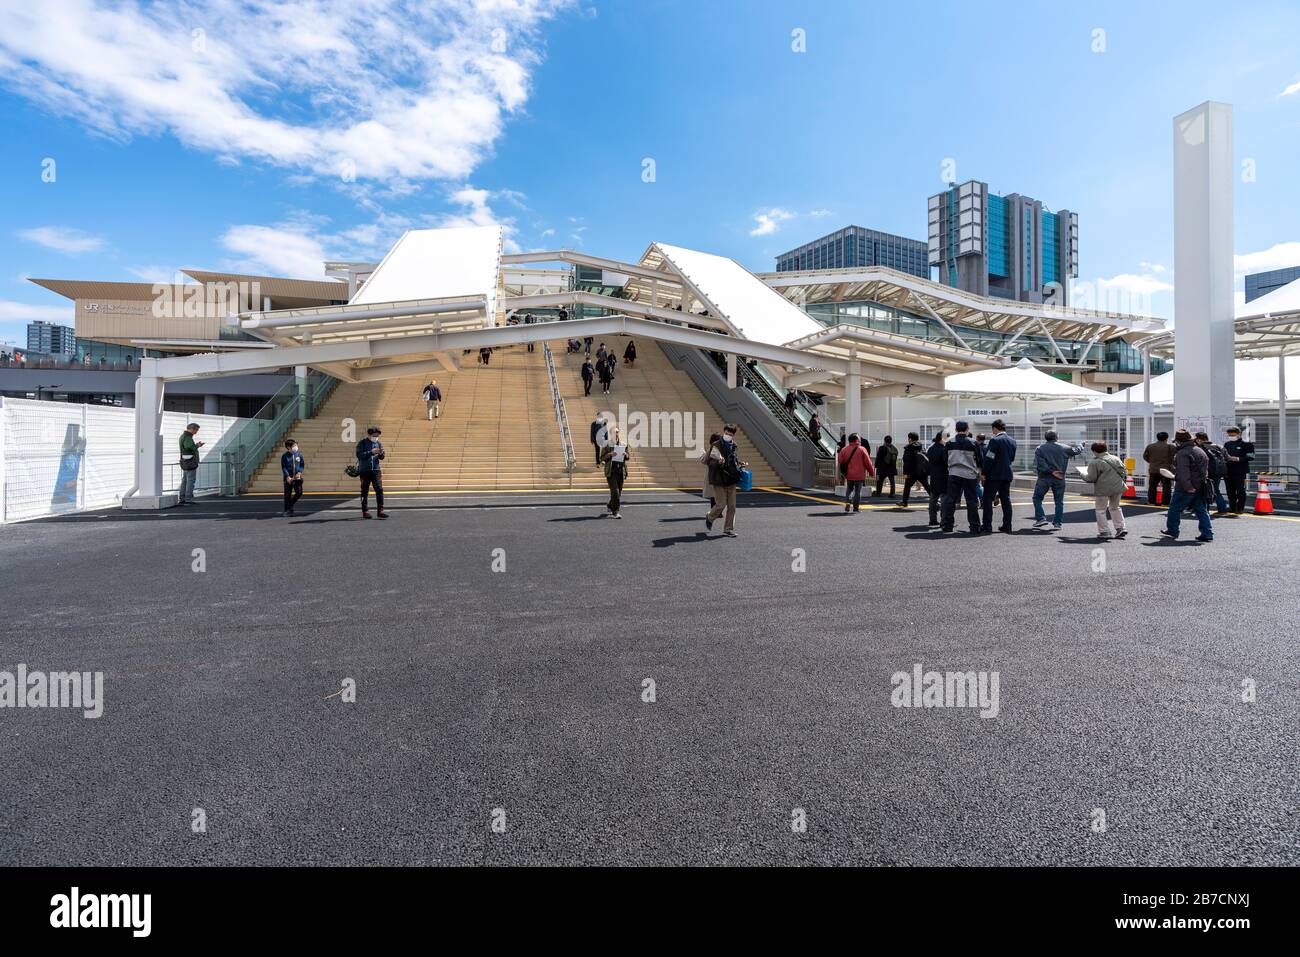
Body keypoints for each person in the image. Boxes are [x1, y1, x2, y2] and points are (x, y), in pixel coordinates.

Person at [1162, 428, 1212, 542]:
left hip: (1186, 488)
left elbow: (1183, 473)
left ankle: (1173, 530)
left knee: (1174, 509)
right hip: (1201, 486)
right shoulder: (1199, 450)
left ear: (1178, 441)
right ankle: (1207, 533)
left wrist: (1188, 487)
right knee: (1201, 510)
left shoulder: (1183, 453)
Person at [1031, 430, 1085, 530]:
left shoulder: (1040, 449)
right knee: (1059, 501)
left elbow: (1040, 464)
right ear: (1057, 437)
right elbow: (1077, 451)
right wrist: (1081, 445)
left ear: (1045, 438)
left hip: (1044, 478)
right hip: (1059, 478)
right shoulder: (1064, 447)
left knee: (1037, 498)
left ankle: (1041, 518)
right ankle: (1057, 523)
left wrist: (1051, 471)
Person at [705, 424, 748, 537]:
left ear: (733, 435)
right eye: (727, 433)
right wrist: (718, 462)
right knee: (721, 504)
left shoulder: (734, 445)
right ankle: (710, 517)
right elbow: (710, 462)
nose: (728, 435)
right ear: (724, 432)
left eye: (730, 434)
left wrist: (740, 464)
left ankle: (728, 529)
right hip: (719, 479)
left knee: (732, 506)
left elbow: (733, 460)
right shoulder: (716, 445)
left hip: (731, 479)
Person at [940, 421, 982, 534]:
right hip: (970, 475)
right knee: (971, 501)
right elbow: (980, 460)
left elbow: (944, 459)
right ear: (967, 429)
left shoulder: (949, 443)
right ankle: (974, 527)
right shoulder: (973, 442)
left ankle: (948, 526)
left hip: (954, 473)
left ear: (956, 429)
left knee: (951, 500)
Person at [1083, 441, 1127, 539]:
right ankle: (1121, 528)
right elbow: (1124, 472)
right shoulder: (1116, 458)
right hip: (1117, 487)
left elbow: (1091, 478)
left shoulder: (1095, 462)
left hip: (1103, 489)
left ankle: (1105, 532)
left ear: (1094, 451)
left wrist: (1082, 475)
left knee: (1100, 510)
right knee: (1115, 508)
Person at [979, 419, 1017, 533]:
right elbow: (1012, 458)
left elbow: (989, 458)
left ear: (995, 428)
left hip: (994, 475)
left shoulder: (995, 440)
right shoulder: (1012, 441)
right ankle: (1007, 525)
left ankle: (987, 526)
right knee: (1006, 500)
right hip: (1007, 474)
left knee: (987, 500)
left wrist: (984, 473)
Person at [837, 432, 875, 513]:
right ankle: (855, 508)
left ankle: (848, 502)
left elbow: (840, 460)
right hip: (860, 475)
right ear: (857, 440)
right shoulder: (862, 449)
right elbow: (868, 463)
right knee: (857, 491)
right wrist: (871, 473)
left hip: (849, 474)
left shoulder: (844, 449)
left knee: (849, 489)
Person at [355, 426, 388, 519]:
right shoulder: (362, 443)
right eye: (374, 435)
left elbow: (382, 457)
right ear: (369, 435)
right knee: (364, 490)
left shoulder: (378, 443)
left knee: (379, 489)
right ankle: (365, 511)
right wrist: (371, 452)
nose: (376, 437)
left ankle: (380, 510)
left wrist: (381, 454)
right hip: (364, 470)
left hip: (376, 470)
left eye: (377, 435)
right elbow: (359, 455)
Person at [1194, 431, 1230, 516]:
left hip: (1206, 472)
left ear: (1198, 439)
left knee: (1205, 491)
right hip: (1218, 472)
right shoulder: (1218, 446)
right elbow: (1227, 458)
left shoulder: (1199, 448)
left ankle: (1205, 510)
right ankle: (1222, 509)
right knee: (1216, 490)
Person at [1222, 425, 1255, 514]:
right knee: (1230, 490)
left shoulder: (1247, 443)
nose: (1231, 437)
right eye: (1229, 435)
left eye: (1233, 435)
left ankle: (1240, 508)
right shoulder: (1227, 444)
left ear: (1239, 434)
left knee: (1240, 490)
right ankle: (1232, 507)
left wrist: (1237, 459)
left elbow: (1251, 457)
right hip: (1228, 470)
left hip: (1240, 471)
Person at [600, 427, 631, 518]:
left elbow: (628, 457)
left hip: (621, 471)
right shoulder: (607, 444)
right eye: (614, 432)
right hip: (611, 471)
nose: (616, 433)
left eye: (617, 432)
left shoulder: (623, 444)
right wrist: (610, 454)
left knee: (619, 492)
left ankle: (610, 505)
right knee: (615, 492)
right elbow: (601, 458)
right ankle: (615, 512)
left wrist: (626, 455)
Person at [1143, 431, 1175, 506]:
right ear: (1166, 438)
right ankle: (1165, 502)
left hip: (1153, 469)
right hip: (1166, 470)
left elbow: (1145, 456)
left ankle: (1151, 501)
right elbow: (1174, 457)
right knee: (1166, 487)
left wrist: (1152, 462)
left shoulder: (1150, 446)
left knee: (1152, 486)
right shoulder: (1171, 447)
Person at [899, 432, 931, 508]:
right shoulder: (921, 447)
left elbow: (907, 461)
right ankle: (936, 500)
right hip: (922, 471)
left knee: (907, 486)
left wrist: (905, 473)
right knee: (927, 486)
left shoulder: (909, 448)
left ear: (910, 438)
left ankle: (904, 502)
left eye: (908, 438)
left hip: (912, 472)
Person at [925, 430, 949, 527]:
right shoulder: (943, 449)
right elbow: (947, 462)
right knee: (944, 499)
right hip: (943, 475)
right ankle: (944, 521)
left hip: (934, 476)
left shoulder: (931, 448)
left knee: (933, 499)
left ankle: (932, 519)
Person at [178, 423, 204, 505]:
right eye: (196, 430)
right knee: (190, 481)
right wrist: (197, 446)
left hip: (185, 462)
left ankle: (182, 498)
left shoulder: (182, 436)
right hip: (190, 462)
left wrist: (195, 445)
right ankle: (188, 499)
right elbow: (189, 446)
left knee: (185, 481)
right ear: (192, 429)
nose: (196, 432)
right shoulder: (188, 437)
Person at [280, 438, 305, 517]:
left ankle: (290, 505)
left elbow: (302, 464)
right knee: (287, 495)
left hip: (297, 478)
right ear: (288, 447)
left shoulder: (299, 454)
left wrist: (299, 472)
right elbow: (284, 467)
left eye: (295, 444)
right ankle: (288, 511)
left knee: (299, 492)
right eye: (294, 445)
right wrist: (287, 476)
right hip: (288, 479)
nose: (296, 446)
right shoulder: (285, 456)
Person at [699, 432, 721, 508]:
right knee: (717, 494)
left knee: (714, 494)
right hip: (718, 474)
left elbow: (704, 460)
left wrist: (704, 453)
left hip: (713, 474)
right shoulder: (718, 449)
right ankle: (717, 511)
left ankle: (714, 510)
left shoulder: (712, 450)